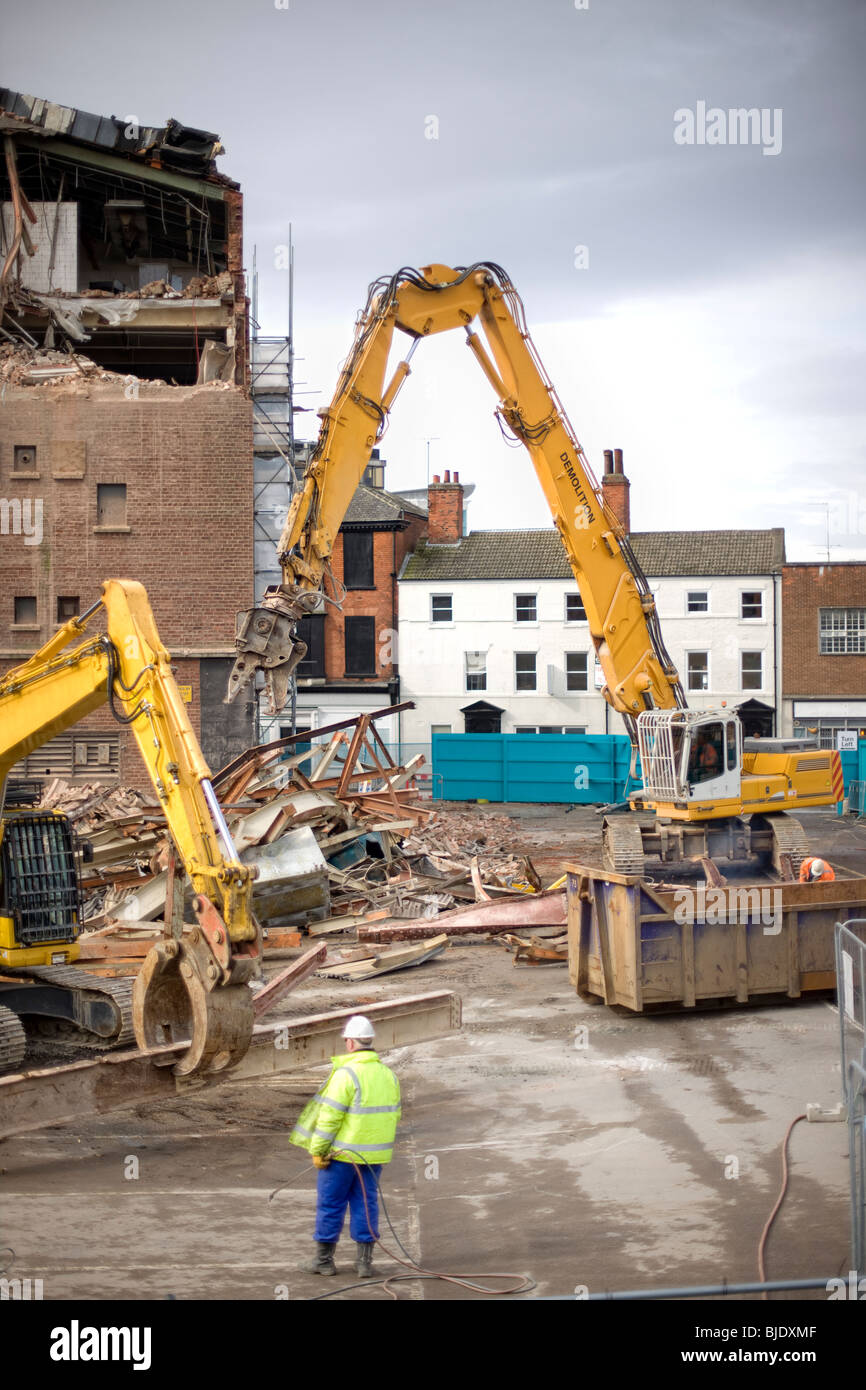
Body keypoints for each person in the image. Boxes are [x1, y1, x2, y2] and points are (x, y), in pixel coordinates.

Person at [290, 1014, 401, 1278]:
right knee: (366, 1203)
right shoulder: (388, 1075)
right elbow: (394, 1115)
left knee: (331, 1204)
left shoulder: (346, 1074)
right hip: (373, 1158)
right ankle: (364, 1263)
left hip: (341, 1156)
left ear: (350, 1043)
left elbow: (329, 1118)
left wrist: (318, 1150)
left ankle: (324, 1261)